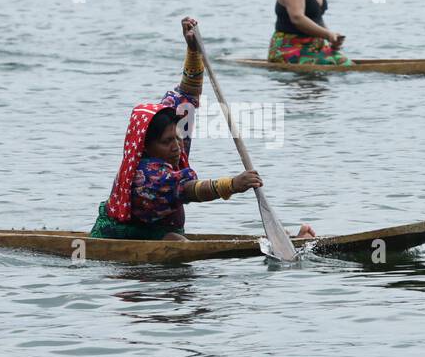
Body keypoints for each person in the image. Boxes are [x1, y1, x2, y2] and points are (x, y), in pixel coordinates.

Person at [91, 18, 315, 242]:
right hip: (128, 235)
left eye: (177, 138)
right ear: (146, 146)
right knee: (177, 243)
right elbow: (190, 190)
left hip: (160, 231)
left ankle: (287, 240)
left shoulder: (173, 134)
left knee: (176, 239)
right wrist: (233, 185)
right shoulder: (147, 176)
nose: (176, 146)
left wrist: (193, 51)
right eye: (167, 141)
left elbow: (187, 94)